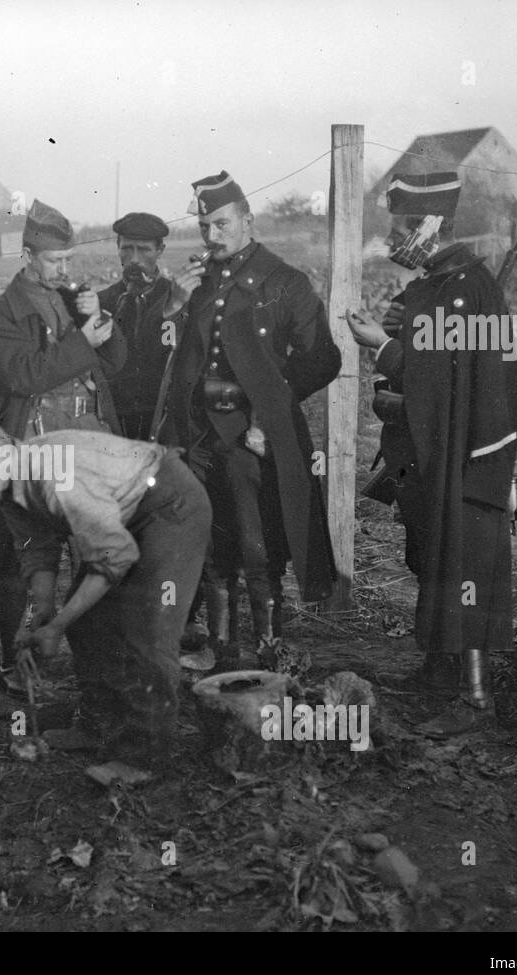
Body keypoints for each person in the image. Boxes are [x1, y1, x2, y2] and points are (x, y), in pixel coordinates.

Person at [0, 410, 210, 768]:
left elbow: (113, 556)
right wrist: (44, 611)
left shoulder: (56, 476)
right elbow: (37, 548)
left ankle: (144, 757)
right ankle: (99, 723)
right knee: (87, 620)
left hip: (169, 506)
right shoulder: (9, 485)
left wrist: (58, 625)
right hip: (124, 515)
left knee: (149, 629)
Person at [345, 172, 517, 733]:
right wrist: (402, 335)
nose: (391, 238)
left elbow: (454, 385)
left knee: (462, 561)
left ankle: (473, 698)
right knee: (432, 556)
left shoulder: (473, 290)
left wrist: (388, 346)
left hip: (468, 455)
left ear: (430, 224)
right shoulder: (432, 287)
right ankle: (441, 671)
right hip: (432, 453)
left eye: (399, 226)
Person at [161, 171, 339, 669]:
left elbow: (322, 360)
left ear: (247, 221)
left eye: (221, 224)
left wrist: (267, 413)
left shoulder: (285, 283)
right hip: (201, 435)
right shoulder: (197, 283)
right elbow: (180, 362)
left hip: (252, 435)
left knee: (258, 546)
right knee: (213, 541)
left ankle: (268, 652)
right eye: (204, 227)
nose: (212, 236)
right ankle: (221, 652)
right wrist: (174, 306)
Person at [0, 199, 126, 692]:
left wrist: (102, 321)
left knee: (89, 551)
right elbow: (24, 376)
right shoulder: (3, 314)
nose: (66, 269)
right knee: (29, 555)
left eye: (68, 260)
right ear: (28, 255)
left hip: (85, 443)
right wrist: (84, 342)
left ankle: (90, 662)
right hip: (33, 446)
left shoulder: (69, 296)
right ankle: (17, 666)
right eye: (56, 261)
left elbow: (116, 366)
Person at [97, 212, 190, 441]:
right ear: (117, 248)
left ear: (160, 250)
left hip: (165, 418)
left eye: (144, 249)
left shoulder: (179, 298)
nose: (135, 258)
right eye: (127, 248)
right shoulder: (101, 302)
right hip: (115, 420)